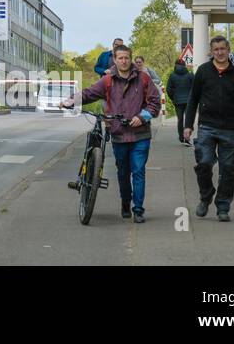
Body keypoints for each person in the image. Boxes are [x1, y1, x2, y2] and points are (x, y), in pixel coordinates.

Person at [61, 45, 161, 222]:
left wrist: (142, 117)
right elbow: (89, 93)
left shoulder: (143, 79)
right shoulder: (108, 80)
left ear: (131, 59)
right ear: (114, 59)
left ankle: (138, 210)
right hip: (119, 133)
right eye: (120, 58)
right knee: (123, 172)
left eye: (127, 58)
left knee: (138, 171)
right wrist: (71, 100)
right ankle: (125, 202)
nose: (124, 61)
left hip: (140, 134)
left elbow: (154, 103)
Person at [184, 36, 234, 223]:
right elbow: (193, 100)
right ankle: (206, 195)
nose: (220, 52)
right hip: (207, 127)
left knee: (228, 169)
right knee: (204, 163)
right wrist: (188, 125)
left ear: (228, 50)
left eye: (222, 49)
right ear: (211, 51)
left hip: (230, 129)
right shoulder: (203, 71)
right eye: (216, 49)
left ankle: (223, 206)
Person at [165, 57, 195, 144]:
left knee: (180, 119)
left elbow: (168, 89)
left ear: (175, 65)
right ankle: (187, 138)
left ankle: (181, 137)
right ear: (184, 65)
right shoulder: (190, 75)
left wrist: (173, 97)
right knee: (188, 119)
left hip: (178, 102)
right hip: (189, 101)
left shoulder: (172, 76)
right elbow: (195, 88)